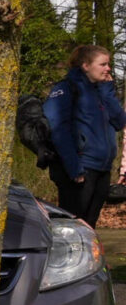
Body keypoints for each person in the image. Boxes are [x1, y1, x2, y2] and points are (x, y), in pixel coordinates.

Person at [44, 44, 126, 227]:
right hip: (80, 169)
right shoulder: (66, 89)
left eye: (109, 64)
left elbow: (120, 122)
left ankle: (88, 257)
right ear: (85, 65)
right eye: (103, 64)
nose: (108, 69)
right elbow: (58, 129)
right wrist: (74, 168)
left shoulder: (101, 91)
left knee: (89, 227)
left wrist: (108, 91)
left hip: (102, 169)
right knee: (73, 227)